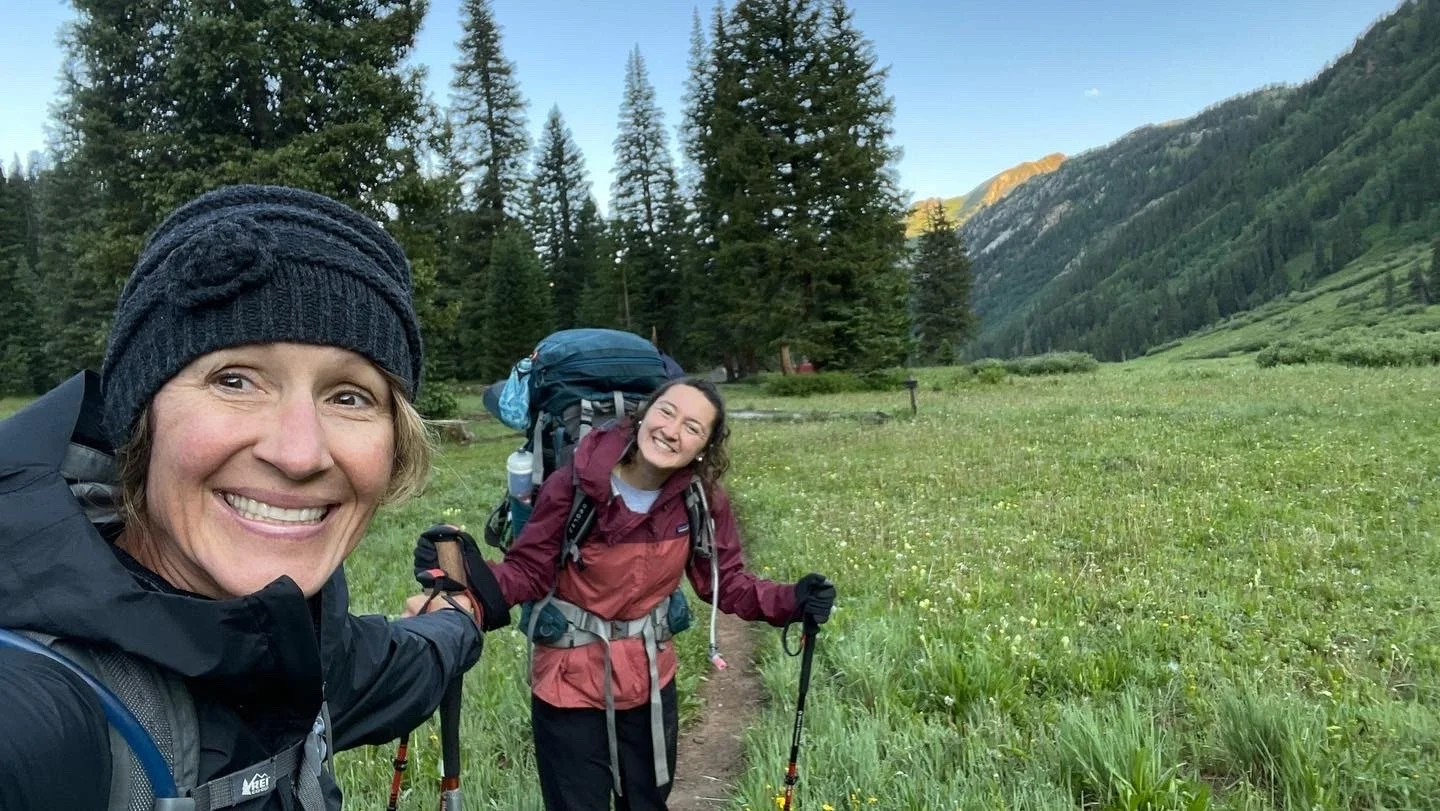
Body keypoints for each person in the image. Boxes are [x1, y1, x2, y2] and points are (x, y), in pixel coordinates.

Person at [0, 184, 507, 810]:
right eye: (235, 379)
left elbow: (401, 666)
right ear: (141, 418)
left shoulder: (300, 643)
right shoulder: (37, 706)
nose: (299, 454)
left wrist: (460, 617)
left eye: (349, 396)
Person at [477, 376, 836, 810]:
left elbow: (725, 582)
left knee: (647, 802)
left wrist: (792, 600)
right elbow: (527, 572)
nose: (671, 430)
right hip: (567, 681)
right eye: (667, 411)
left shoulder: (700, 500)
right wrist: (465, 584)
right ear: (644, 413)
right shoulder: (574, 484)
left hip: (648, 680)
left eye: (692, 427)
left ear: (703, 448)